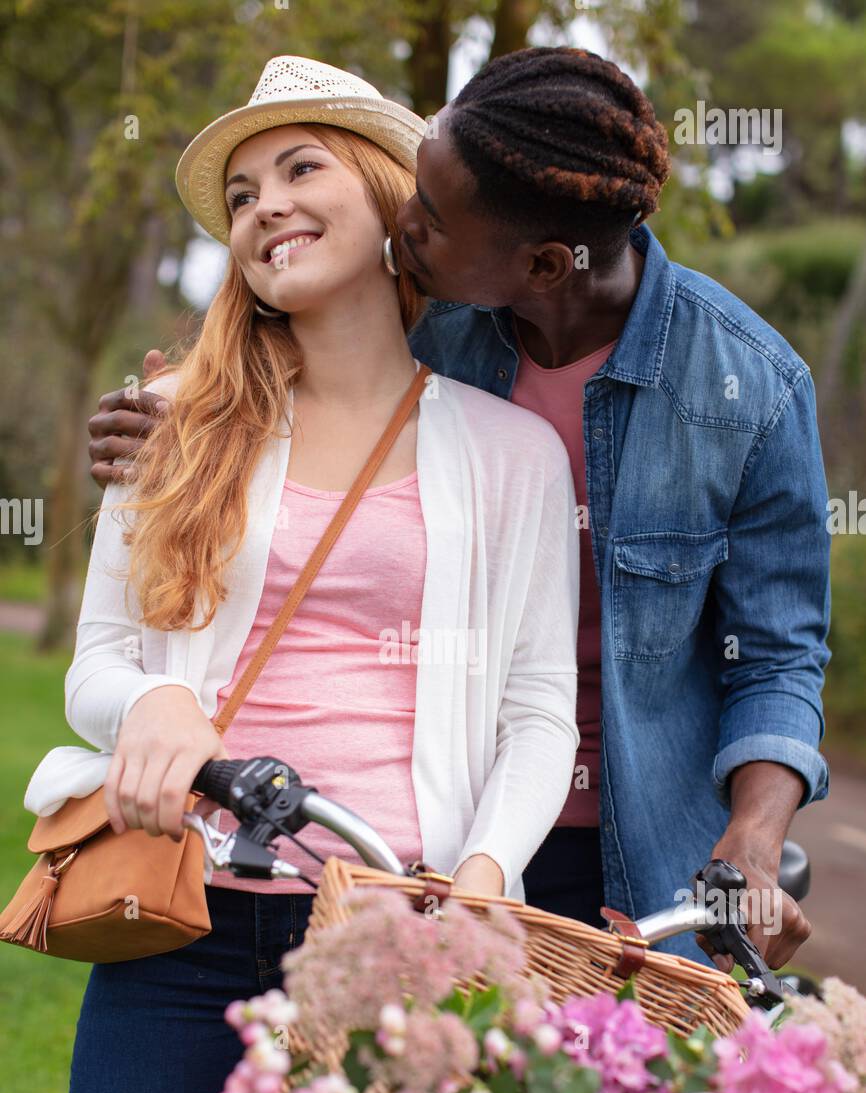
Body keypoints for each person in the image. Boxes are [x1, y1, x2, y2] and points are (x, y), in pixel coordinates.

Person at [26, 56, 580, 1093]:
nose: (264, 204)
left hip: (382, 945)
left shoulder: (510, 454)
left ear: (390, 196)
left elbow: (540, 709)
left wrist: (481, 886)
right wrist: (161, 704)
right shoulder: (177, 419)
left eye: (299, 166)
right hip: (179, 924)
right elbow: (100, 666)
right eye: (238, 194)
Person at [90, 46, 830, 976]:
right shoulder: (433, 316)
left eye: (434, 218)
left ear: (547, 263)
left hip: (639, 837)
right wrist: (163, 438)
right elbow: (286, 357)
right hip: (446, 815)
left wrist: (755, 834)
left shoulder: (748, 388)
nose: (404, 223)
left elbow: (778, 652)